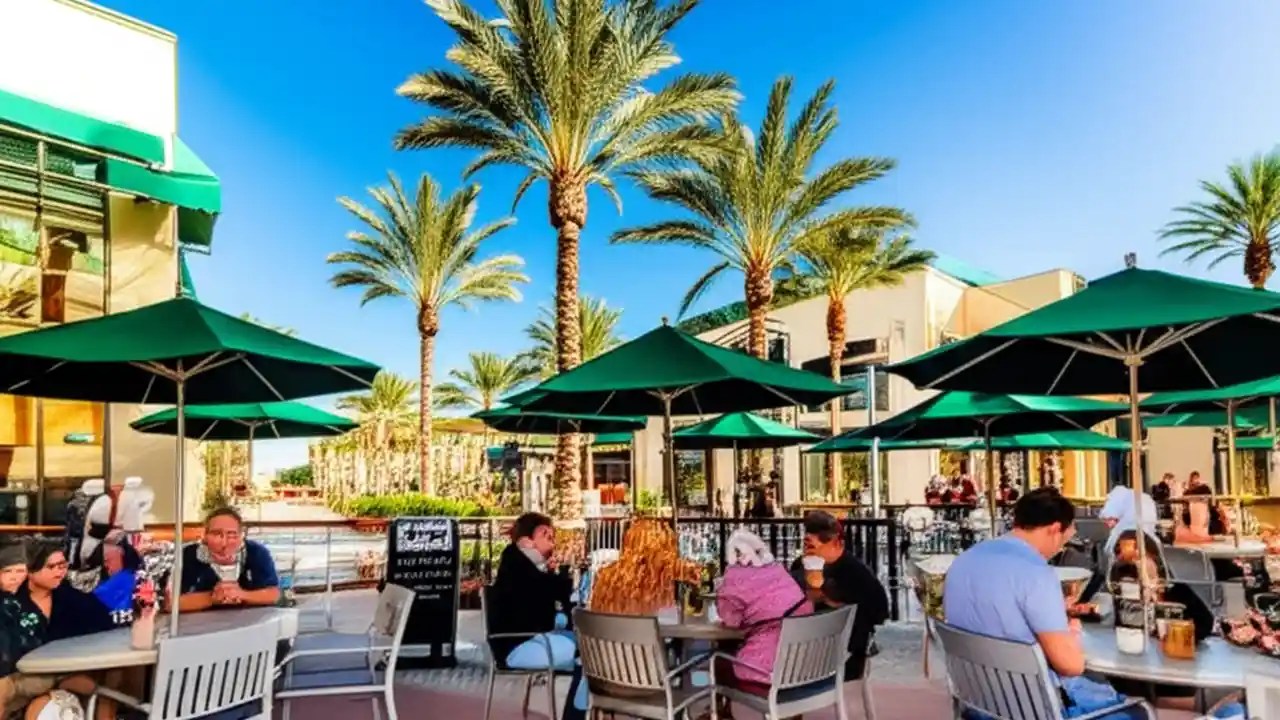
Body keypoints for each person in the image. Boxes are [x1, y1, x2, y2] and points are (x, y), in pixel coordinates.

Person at [945, 488, 1144, 720]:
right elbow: (1070, 666)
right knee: (1136, 713)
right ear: (1054, 529)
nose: (1061, 548)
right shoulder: (1036, 573)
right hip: (1030, 708)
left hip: (977, 706)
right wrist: (1070, 635)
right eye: (1064, 540)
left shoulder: (963, 562)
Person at [488, 513, 588, 716]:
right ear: (526, 542)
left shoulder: (521, 565)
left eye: (553, 535)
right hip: (517, 646)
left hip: (527, 640)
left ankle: (577, 713)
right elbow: (553, 592)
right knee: (591, 651)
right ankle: (575, 716)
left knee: (590, 647)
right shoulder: (519, 569)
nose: (552, 540)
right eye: (545, 535)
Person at [789, 511, 889, 683]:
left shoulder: (856, 574)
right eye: (806, 545)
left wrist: (825, 594)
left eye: (812, 546)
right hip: (803, 651)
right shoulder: (800, 566)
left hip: (839, 656)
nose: (808, 551)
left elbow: (879, 612)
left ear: (836, 543)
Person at [715, 530, 813, 697]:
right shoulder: (779, 571)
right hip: (803, 665)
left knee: (718, 661)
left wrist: (721, 592)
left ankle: (720, 710)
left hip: (769, 672)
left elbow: (731, 622)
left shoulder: (735, 577)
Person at [177, 507, 280, 612]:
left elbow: (273, 594)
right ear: (205, 536)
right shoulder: (187, 555)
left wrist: (241, 594)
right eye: (216, 534)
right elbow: (171, 602)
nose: (224, 542)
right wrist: (212, 598)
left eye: (231, 534)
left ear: (241, 536)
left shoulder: (256, 552)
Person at [1098, 479, 1158, 554]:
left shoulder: (1119, 493)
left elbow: (1109, 514)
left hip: (1131, 533)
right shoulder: (1144, 498)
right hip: (1146, 534)